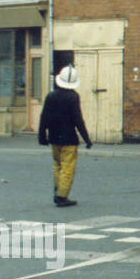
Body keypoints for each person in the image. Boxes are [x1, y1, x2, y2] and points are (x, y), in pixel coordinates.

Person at [37, 66, 92, 207]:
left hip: (54, 137)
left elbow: (44, 117)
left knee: (57, 166)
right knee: (68, 167)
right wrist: (86, 139)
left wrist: (42, 136)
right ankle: (62, 196)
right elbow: (77, 120)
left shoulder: (50, 96)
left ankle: (57, 189)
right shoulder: (73, 97)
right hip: (69, 138)